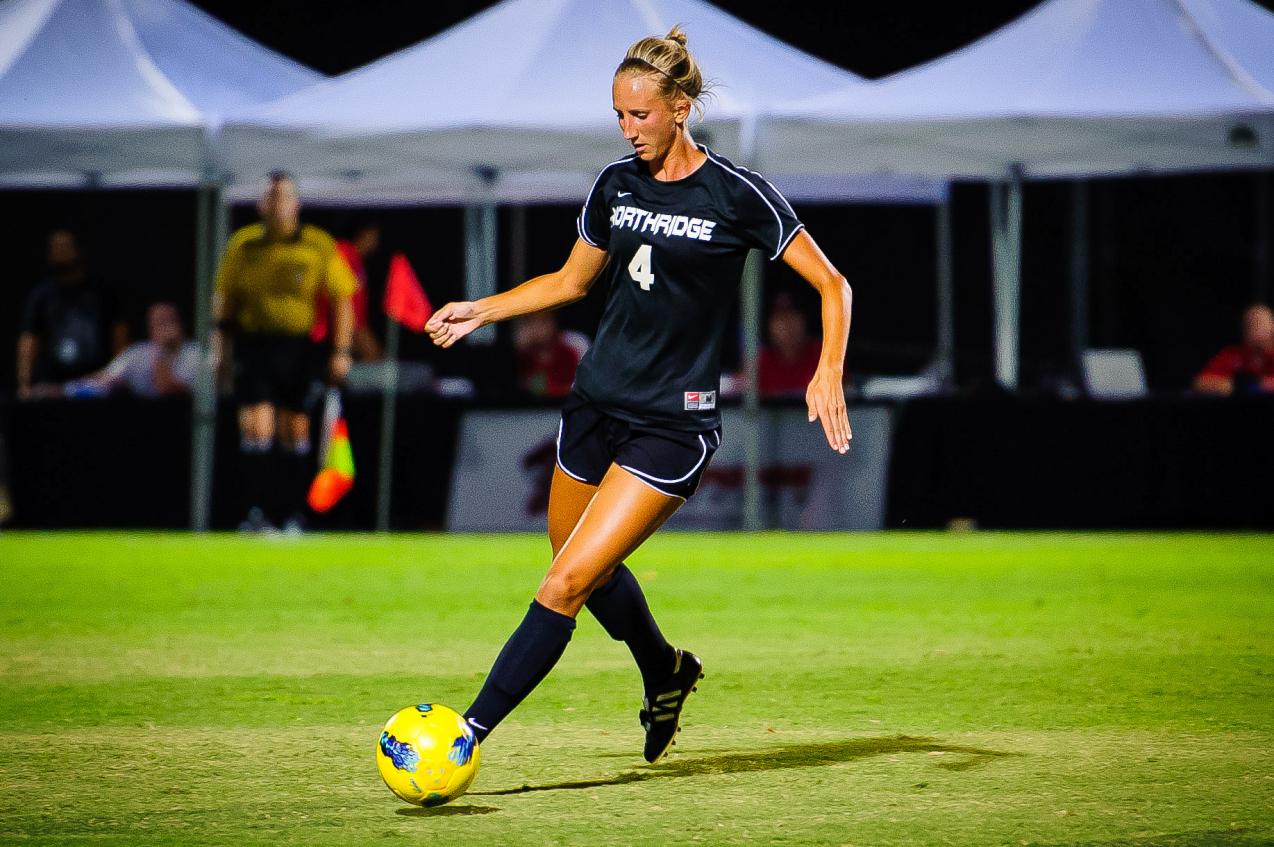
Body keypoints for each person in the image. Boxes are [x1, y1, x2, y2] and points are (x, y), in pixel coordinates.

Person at [425, 27, 852, 764]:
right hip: (594, 406)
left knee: (565, 582)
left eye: (641, 115)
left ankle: (462, 736)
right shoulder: (615, 183)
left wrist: (827, 367)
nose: (628, 129)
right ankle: (665, 669)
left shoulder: (736, 193)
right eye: (618, 115)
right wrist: (481, 308)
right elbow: (569, 282)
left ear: (680, 107)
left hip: (671, 425)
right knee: (578, 567)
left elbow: (833, 283)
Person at [212, 171, 358, 533]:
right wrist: (220, 352)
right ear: (261, 204)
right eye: (270, 197)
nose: (277, 205)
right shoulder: (244, 245)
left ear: (296, 203)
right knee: (257, 425)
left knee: (295, 428)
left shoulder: (317, 244)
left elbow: (342, 297)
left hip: (298, 347)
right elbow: (225, 302)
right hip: (255, 343)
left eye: (283, 197)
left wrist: (340, 350)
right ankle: (256, 513)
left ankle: (293, 514)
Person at [17, 229, 127, 400]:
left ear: (79, 250)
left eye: (65, 246)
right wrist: (24, 383)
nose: (59, 251)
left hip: (95, 383)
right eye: (55, 247)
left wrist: (117, 377)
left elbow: (119, 336)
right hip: (52, 385)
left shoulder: (102, 292)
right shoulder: (42, 295)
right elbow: (29, 340)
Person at [65, 302, 197, 398]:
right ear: (150, 329)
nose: (165, 327)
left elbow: (168, 392)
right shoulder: (137, 352)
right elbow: (104, 379)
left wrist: (161, 352)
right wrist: (63, 390)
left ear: (181, 324)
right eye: (159, 322)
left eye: (169, 320)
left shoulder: (195, 353)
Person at [316, 219, 384, 363]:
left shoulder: (356, 259)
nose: (376, 243)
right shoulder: (343, 253)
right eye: (375, 236)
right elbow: (340, 298)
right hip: (335, 329)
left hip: (353, 328)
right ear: (365, 234)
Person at [1193, 303, 1274, 396]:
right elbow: (1199, 382)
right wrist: (1238, 385)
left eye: (1260, 323)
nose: (1255, 329)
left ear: (1272, 327)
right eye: (1249, 324)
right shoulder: (1233, 354)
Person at [758, 293, 825, 397]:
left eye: (793, 315)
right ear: (769, 325)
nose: (787, 324)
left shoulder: (824, 355)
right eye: (780, 317)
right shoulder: (760, 363)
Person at [512, 311, 589, 398]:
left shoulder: (574, 344)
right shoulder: (521, 354)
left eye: (543, 321)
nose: (537, 328)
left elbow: (585, 387)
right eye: (531, 321)